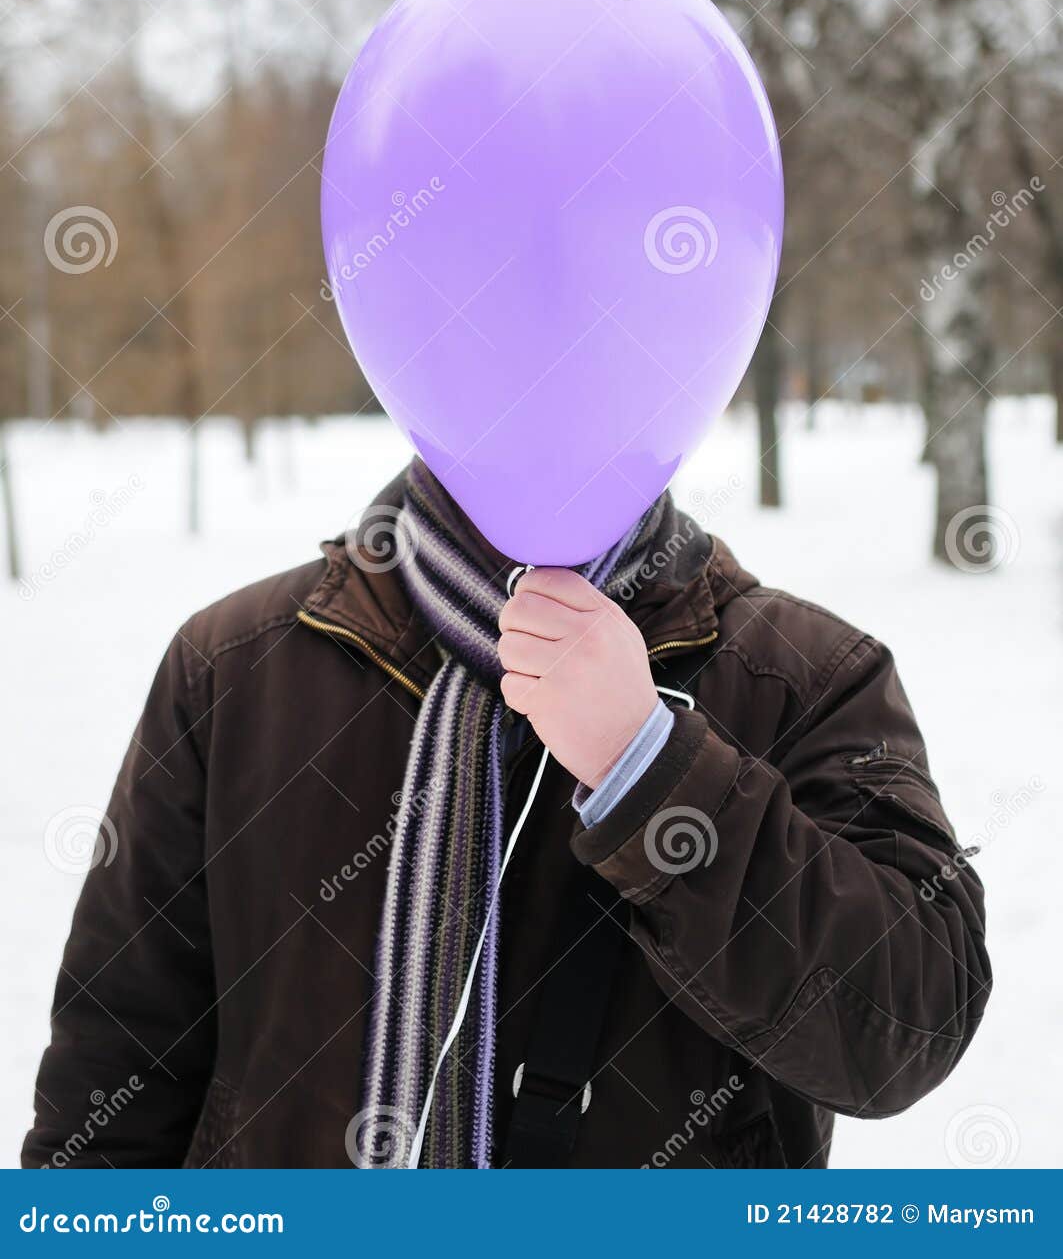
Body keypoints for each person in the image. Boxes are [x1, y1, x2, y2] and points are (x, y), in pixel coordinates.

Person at [23, 458, 989, 1170]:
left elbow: (902, 1027)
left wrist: (651, 767)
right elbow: (118, 1069)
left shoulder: (801, 675)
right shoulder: (236, 665)